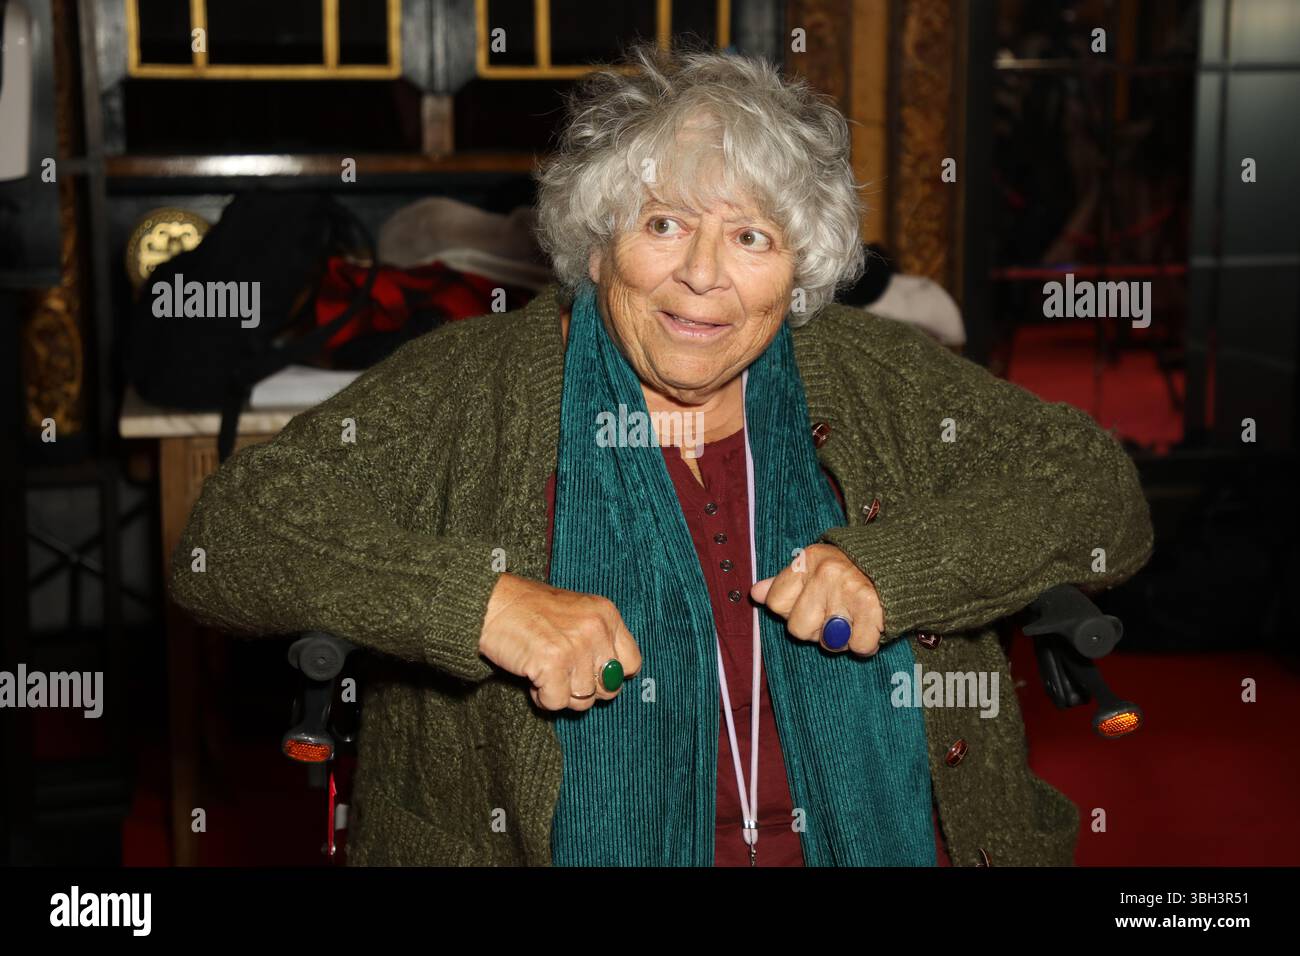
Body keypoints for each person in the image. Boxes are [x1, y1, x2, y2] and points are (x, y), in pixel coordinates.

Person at [170, 44, 1154, 866]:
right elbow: (230, 535)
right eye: (664, 222)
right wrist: (479, 603)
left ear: (799, 267)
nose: (700, 274)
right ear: (598, 243)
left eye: (751, 236)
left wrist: (897, 567)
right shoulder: (470, 387)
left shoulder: (877, 375)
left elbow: (1097, 492)